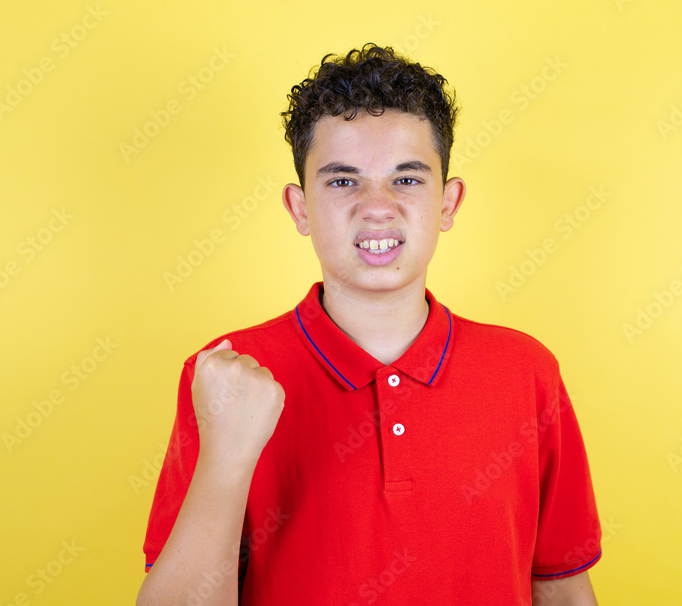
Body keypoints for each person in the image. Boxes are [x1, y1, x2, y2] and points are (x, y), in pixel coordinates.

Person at [137, 43, 601, 605]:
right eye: (342, 181)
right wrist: (227, 457)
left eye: (407, 180)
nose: (377, 207)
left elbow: (562, 587)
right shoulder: (226, 375)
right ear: (300, 208)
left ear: (448, 203)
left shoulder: (526, 372)